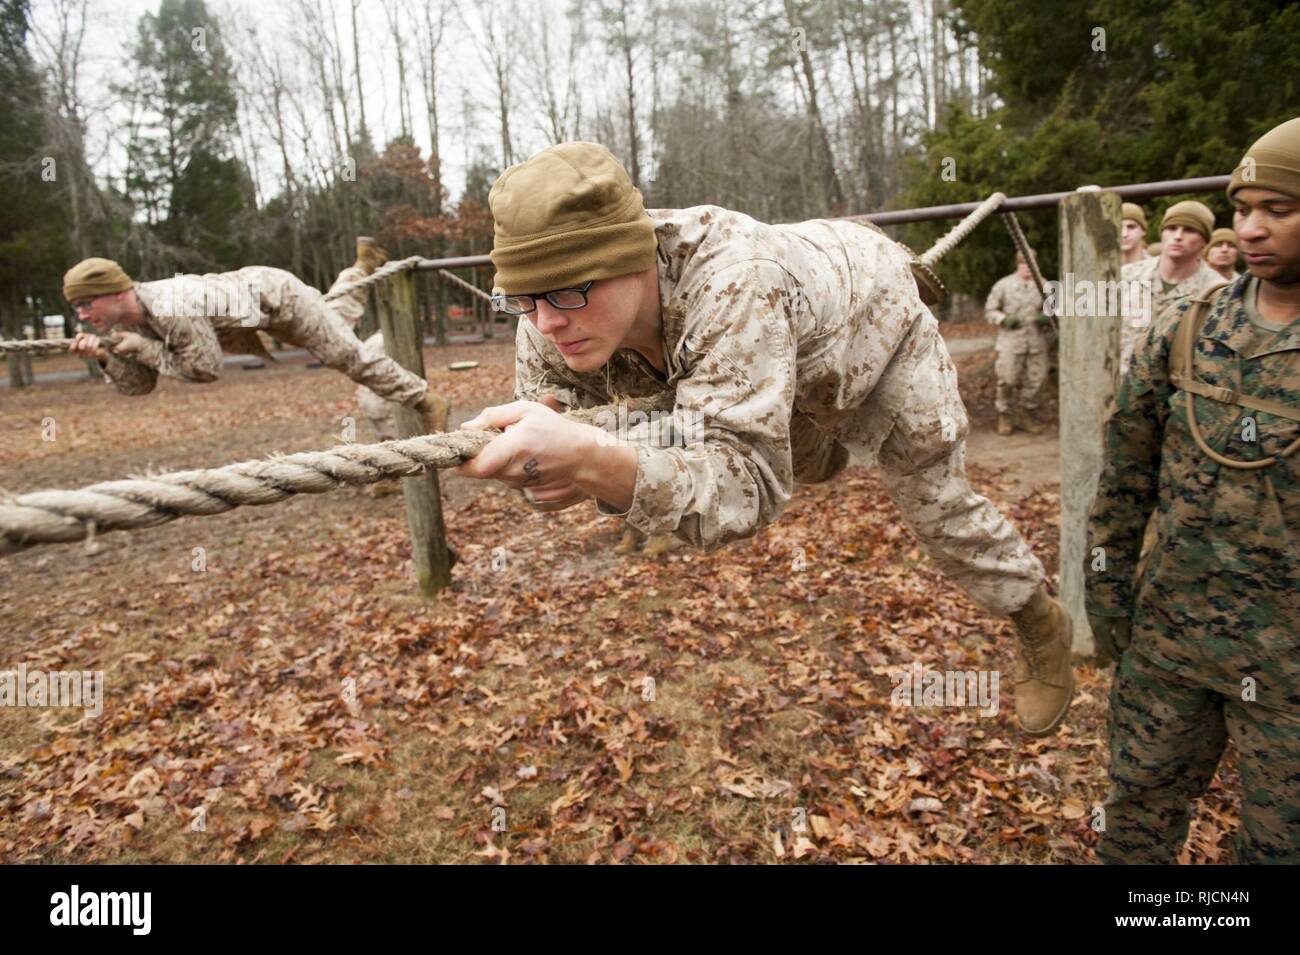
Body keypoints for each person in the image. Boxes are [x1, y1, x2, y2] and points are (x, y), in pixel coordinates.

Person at [454, 142, 1074, 736]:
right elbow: (577, 434)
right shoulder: (545, 317)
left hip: (874, 337)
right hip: (767, 363)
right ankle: (809, 442)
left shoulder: (734, 280)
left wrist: (589, 458)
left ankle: (1033, 612)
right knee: (799, 458)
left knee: (936, 502)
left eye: (568, 290)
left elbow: (745, 490)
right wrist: (549, 469)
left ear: (634, 256)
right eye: (525, 298)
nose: (547, 320)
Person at [1086, 116, 1300, 863]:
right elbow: (1125, 474)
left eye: (1279, 208)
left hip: (1287, 660)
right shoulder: (1186, 325)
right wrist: (1107, 586)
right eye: (1244, 209)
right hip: (1172, 634)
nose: (1253, 227)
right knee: (1137, 816)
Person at [63, 238, 448, 432]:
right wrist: (106, 358)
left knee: (345, 354)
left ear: (116, 292)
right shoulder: (128, 323)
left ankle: (425, 399)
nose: (82, 315)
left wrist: (145, 349)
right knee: (336, 320)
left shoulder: (169, 306)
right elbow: (141, 386)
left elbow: (205, 368)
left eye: (86, 304)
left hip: (278, 298)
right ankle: (361, 267)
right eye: (77, 308)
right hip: (257, 312)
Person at [1118, 201, 1223, 369]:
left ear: (1205, 240)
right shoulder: (1126, 276)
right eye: (1172, 228)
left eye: (1189, 230)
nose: (1178, 236)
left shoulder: (1216, 291)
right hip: (1117, 383)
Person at [985, 251, 1051, 436]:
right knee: (1007, 379)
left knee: (1037, 380)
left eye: (1030, 264)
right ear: (1018, 264)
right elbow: (990, 309)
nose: (1027, 268)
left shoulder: (1044, 285)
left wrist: (1046, 316)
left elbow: (1054, 309)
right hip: (1010, 341)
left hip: (1036, 340)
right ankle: (1004, 415)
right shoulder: (1004, 285)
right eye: (1023, 263)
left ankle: (1026, 413)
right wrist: (1003, 319)